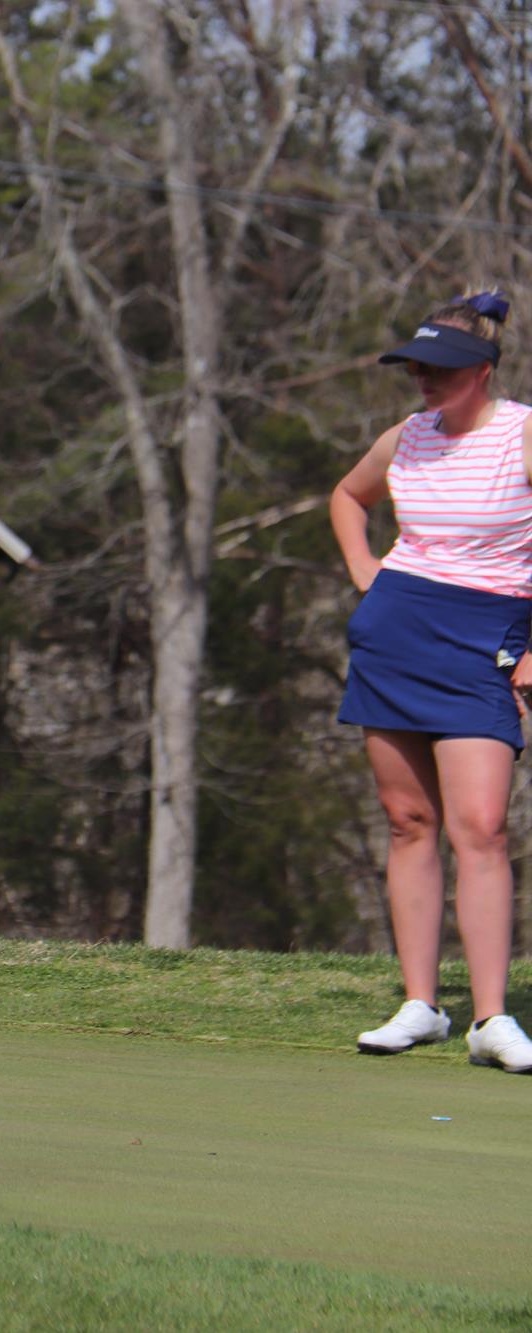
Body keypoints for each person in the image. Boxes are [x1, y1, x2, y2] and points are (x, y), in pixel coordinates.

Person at [331, 288, 532, 1074]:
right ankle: (422, 1004)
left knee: (478, 825)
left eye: (438, 367)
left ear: (482, 368)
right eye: (415, 366)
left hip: (486, 636)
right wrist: (366, 574)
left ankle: (491, 1017)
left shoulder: (522, 435)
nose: (423, 379)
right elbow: (348, 498)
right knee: (407, 818)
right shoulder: (406, 438)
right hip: (397, 631)